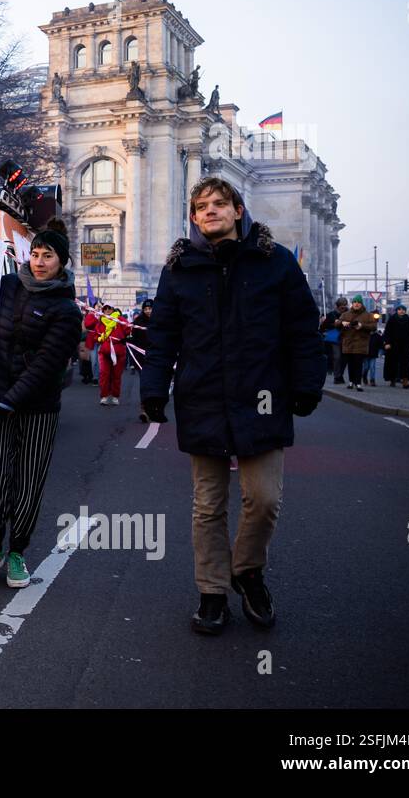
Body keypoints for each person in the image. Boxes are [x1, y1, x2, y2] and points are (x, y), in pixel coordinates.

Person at [141, 177, 324, 635]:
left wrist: (307, 383)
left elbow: (303, 328)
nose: (210, 212)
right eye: (201, 206)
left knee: (263, 500)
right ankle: (212, 592)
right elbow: (162, 336)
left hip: (263, 397)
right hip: (202, 397)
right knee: (208, 505)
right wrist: (152, 390)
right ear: (194, 217)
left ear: (238, 210)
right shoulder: (179, 270)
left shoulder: (276, 262)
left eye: (219, 204)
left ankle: (247, 570)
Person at [0, 218, 82, 589]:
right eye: (35, 254)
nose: (38, 261)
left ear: (61, 262)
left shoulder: (68, 311)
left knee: (28, 481)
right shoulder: (6, 287)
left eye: (47, 256)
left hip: (37, 407)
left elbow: (46, 366)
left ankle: (17, 551)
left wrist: (9, 403)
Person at [86, 302, 130, 405]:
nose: (107, 310)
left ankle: (115, 396)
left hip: (118, 352)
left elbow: (128, 329)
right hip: (105, 352)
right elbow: (95, 334)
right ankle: (104, 396)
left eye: (109, 308)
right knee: (104, 375)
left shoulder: (119, 319)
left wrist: (126, 338)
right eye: (105, 308)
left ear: (113, 309)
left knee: (116, 375)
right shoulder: (100, 321)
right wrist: (99, 338)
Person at [337, 296, 377, 392]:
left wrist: (362, 326)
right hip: (349, 343)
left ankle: (358, 383)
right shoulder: (345, 314)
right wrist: (342, 323)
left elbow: (374, 327)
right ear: (352, 303)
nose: (356, 304)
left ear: (361, 303)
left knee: (358, 364)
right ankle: (351, 382)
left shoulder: (368, 315)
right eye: (354, 302)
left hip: (361, 343)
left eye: (358, 302)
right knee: (350, 364)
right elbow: (337, 324)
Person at [383, 303, 409, 388]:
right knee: (393, 362)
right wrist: (387, 342)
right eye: (400, 309)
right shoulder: (392, 319)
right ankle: (392, 379)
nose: (401, 311)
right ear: (397, 310)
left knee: (405, 363)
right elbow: (388, 332)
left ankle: (405, 381)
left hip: (405, 345)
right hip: (393, 345)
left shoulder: (408, 319)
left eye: (403, 309)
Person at [319, 297, 348, 384]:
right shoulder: (331, 314)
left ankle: (340, 375)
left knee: (344, 359)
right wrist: (334, 325)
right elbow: (323, 326)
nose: (343, 309)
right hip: (335, 339)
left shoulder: (348, 314)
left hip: (346, 339)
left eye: (344, 307)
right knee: (337, 357)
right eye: (341, 307)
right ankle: (337, 376)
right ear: (337, 306)